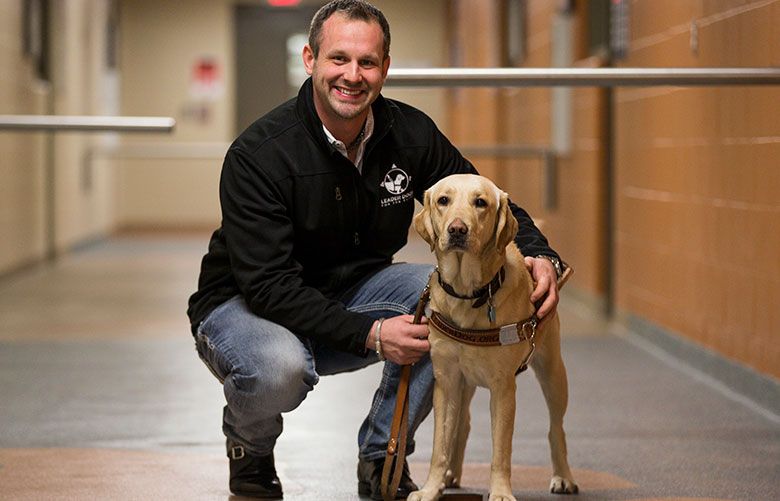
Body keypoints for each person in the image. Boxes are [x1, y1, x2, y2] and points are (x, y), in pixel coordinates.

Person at [187, 0, 565, 499]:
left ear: (385, 67)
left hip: (353, 290)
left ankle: (382, 455)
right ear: (310, 60)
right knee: (279, 369)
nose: (352, 75)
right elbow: (268, 285)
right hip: (247, 305)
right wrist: (371, 333)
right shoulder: (259, 154)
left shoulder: (410, 134)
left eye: (367, 62)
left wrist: (541, 255)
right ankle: (250, 448)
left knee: (443, 303)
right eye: (338, 58)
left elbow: (483, 196)